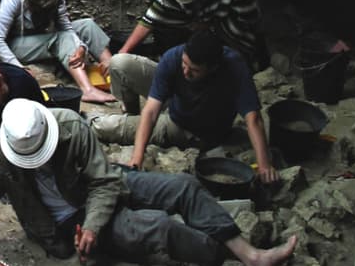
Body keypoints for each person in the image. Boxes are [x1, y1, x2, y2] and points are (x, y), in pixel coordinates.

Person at [0, 99, 297, 266]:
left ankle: (251, 255)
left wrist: (97, 224)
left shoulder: (69, 126)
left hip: (100, 188)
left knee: (183, 186)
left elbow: (104, 182)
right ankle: (236, 261)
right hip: (64, 224)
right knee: (156, 227)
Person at [93, 31, 280, 183]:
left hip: (184, 126)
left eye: (194, 70)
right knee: (120, 63)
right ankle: (130, 111)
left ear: (213, 67)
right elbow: (150, 111)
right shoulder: (174, 56)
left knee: (105, 127)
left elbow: (253, 118)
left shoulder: (235, 67)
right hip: (175, 100)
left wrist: (264, 165)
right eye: (184, 64)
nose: (186, 71)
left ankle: (87, 121)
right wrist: (137, 157)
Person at [117, 0, 267, 70]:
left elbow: (250, 18)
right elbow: (149, 20)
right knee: (177, 31)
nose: (186, 5)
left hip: (228, 10)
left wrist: (253, 42)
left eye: (190, 1)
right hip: (202, 16)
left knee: (240, 39)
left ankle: (248, 67)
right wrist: (123, 52)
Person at [0, 0, 115, 104]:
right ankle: (88, 90)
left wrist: (81, 47)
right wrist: (19, 67)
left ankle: (112, 67)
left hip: (41, 37)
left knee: (87, 25)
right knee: (61, 39)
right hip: (16, 44)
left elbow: (65, 27)